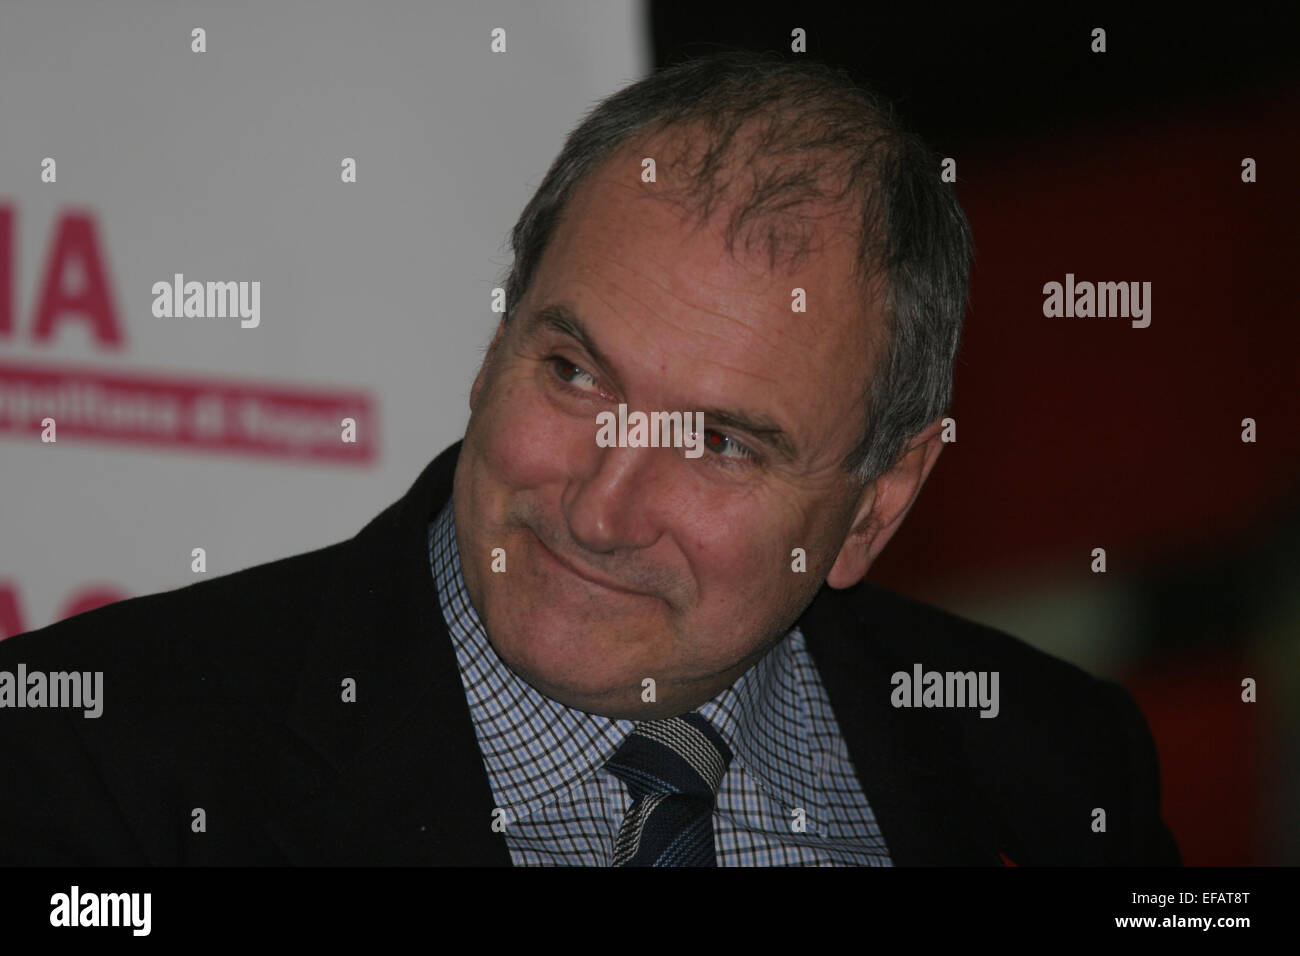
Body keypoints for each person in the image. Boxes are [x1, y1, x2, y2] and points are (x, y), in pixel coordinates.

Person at [0, 51, 1179, 866]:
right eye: (575, 374)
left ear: (877, 504)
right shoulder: (91, 764)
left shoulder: (1054, 761)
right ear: (495, 347)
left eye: (717, 443)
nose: (602, 508)